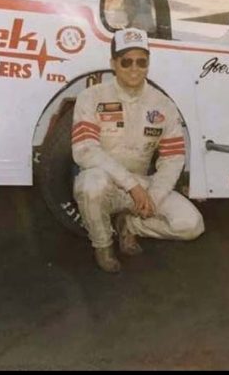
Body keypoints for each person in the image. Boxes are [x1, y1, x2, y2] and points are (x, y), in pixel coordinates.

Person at [71, 28, 204, 272]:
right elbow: (85, 150)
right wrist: (132, 186)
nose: (134, 68)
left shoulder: (163, 104)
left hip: (144, 186)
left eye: (141, 61)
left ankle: (130, 225)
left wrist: (154, 195)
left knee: (191, 225)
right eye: (126, 61)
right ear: (113, 63)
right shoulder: (91, 97)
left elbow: (173, 158)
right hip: (107, 183)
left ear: (148, 64)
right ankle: (103, 245)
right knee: (90, 185)